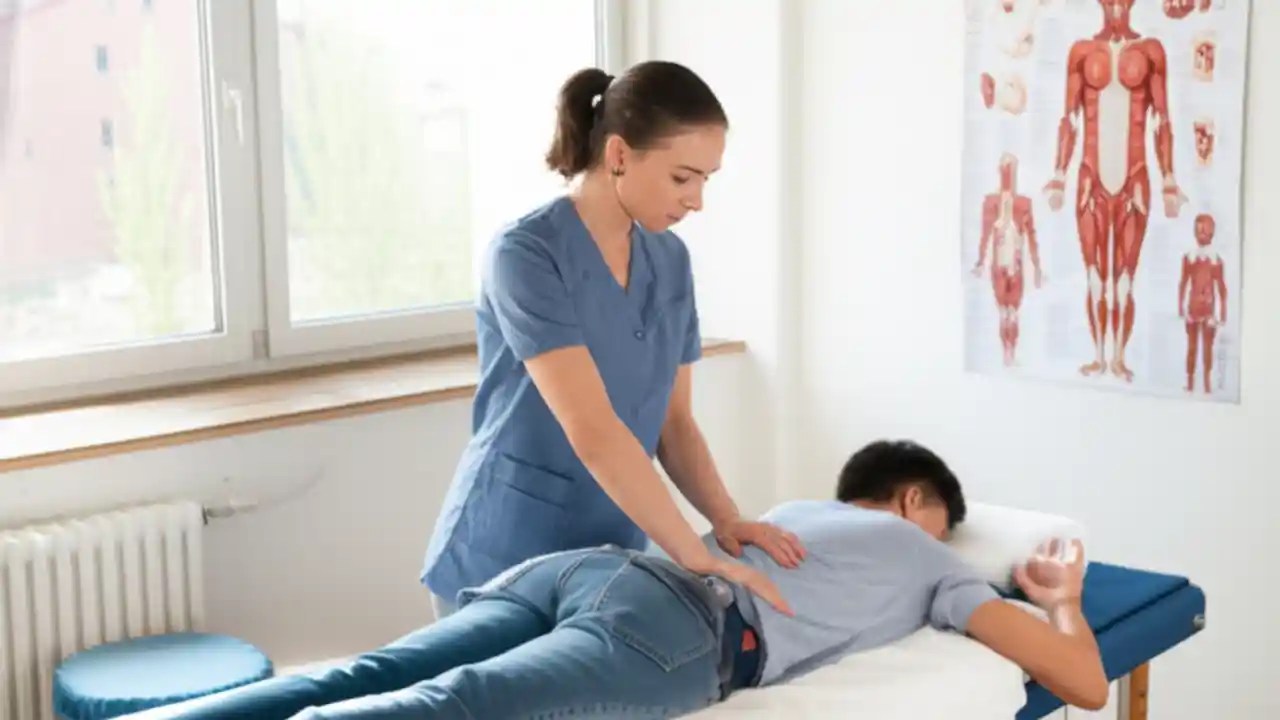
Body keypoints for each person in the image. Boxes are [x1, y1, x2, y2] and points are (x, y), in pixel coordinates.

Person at [152, 440, 1108, 719]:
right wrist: (1059, 602)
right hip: (678, 627)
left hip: (591, 568)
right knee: (452, 707)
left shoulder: (786, 515)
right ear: (909, 504)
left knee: (357, 675)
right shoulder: (928, 557)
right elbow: (1082, 684)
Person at [419, 60, 806, 621]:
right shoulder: (526, 254)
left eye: (706, 179)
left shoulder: (669, 260)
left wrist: (725, 519)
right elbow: (596, 432)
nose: (697, 200)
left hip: (605, 555)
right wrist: (695, 558)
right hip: (501, 554)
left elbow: (674, 425)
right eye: (682, 177)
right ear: (619, 155)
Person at [1044, 0, 1187, 382]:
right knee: (1095, 276)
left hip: (1134, 176)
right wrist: (1058, 174)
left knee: (1123, 280)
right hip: (1090, 176)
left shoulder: (1150, 51)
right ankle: (1097, 356)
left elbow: (1162, 121)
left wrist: (1170, 179)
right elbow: (1069, 120)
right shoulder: (1082, 51)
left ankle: (1119, 357)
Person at [973, 153, 1043, 367]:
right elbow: (985, 234)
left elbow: (1031, 237)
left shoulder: (1023, 204)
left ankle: (1010, 353)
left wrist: (1037, 266)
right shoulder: (991, 203)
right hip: (1000, 265)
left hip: (1015, 265)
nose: (1007, 173)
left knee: (1012, 313)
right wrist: (980, 261)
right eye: (1005, 168)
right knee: (1005, 312)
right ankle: (1007, 353)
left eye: (1010, 168)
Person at [1178, 213, 1227, 394]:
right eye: (1198, 230)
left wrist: (1221, 314)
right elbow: (1183, 283)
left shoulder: (1216, 260)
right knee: (1191, 348)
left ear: (1212, 232)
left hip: (1209, 310)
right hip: (1192, 308)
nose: (1202, 234)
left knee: (1207, 348)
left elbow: (1221, 287)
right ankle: (1190, 382)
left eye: (1206, 230)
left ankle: (1207, 382)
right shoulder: (1189, 258)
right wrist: (1182, 307)